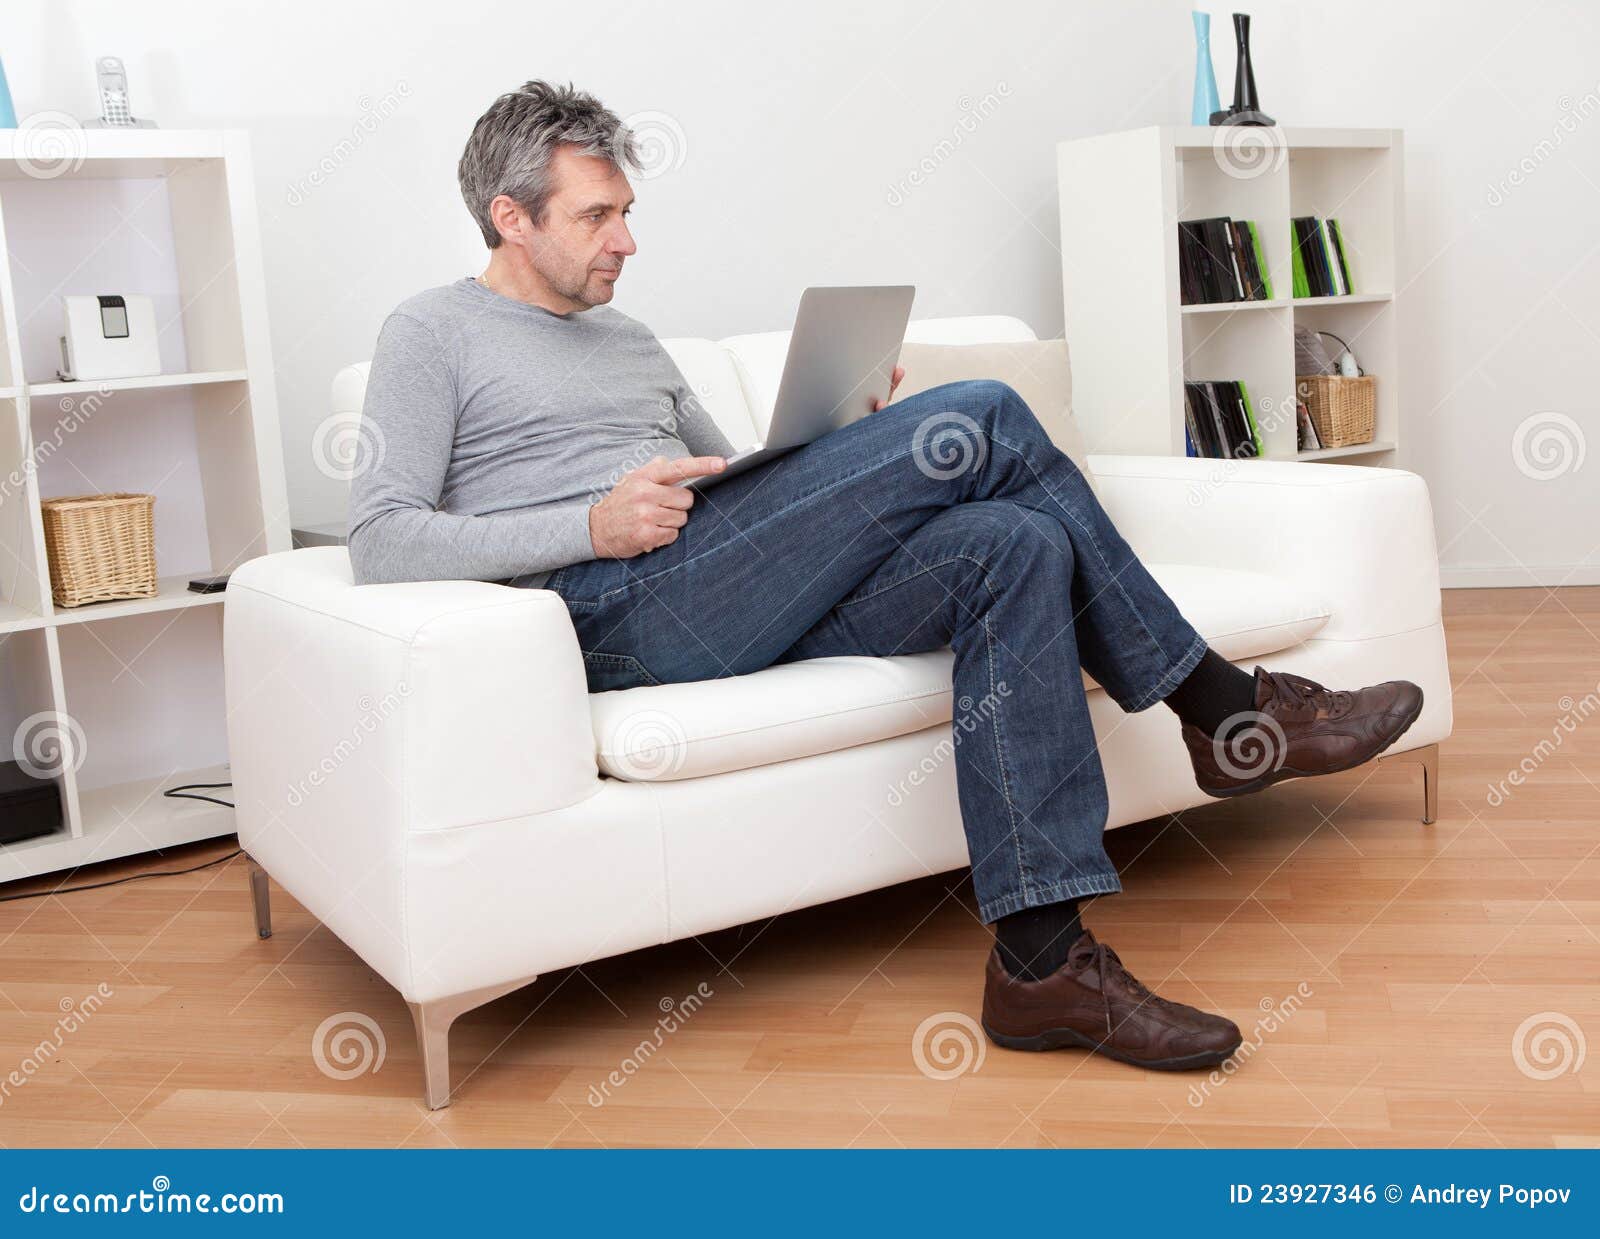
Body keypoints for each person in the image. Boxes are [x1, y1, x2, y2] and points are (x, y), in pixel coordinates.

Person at [349, 81, 1423, 1072]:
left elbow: (733, 481)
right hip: (613, 614)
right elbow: (381, 539)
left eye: (627, 210)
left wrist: (850, 452)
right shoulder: (431, 333)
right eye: (596, 216)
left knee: (1017, 544)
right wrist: (590, 522)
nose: (626, 241)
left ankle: (1041, 965)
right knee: (985, 414)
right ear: (510, 217)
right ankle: (1225, 710)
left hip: (723, 576)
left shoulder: (628, 338)